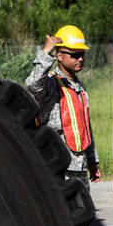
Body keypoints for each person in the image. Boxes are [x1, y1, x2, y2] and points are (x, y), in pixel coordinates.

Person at [25, 24, 100, 188]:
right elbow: (32, 85)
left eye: (82, 54)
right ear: (59, 55)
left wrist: (93, 160)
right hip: (58, 166)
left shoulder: (79, 88)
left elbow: (85, 127)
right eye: (75, 55)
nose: (80, 59)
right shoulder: (51, 83)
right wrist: (45, 53)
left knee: (81, 211)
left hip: (79, 167)